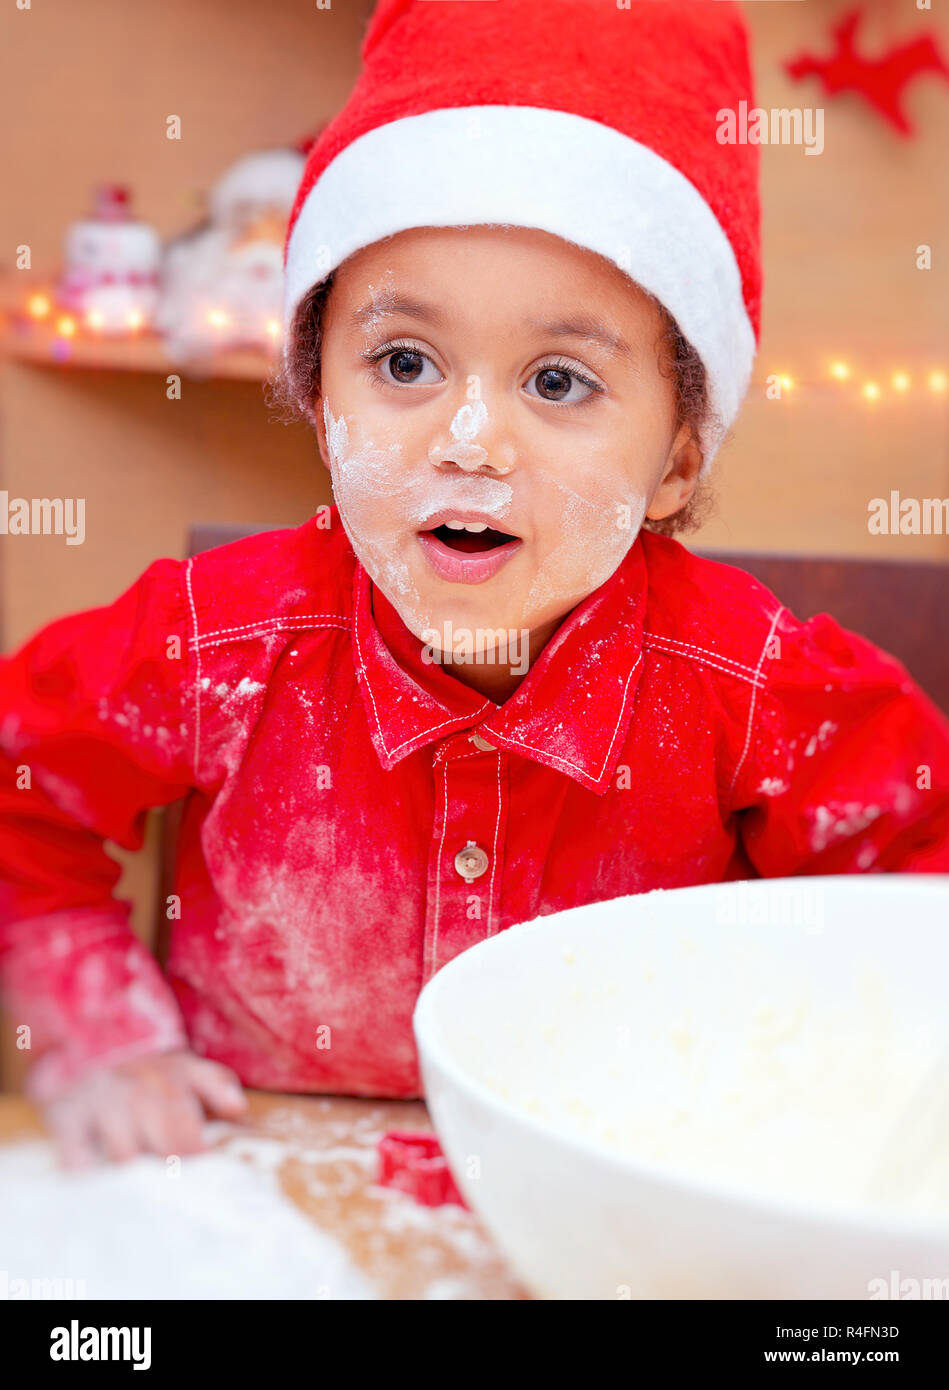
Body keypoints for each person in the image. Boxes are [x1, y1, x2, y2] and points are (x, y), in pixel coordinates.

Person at [2, 0, 947, 1168]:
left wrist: (812, 1084)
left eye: (556, 382)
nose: (469, 440)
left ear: (676, 461)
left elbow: (916, 882)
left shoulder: (750, 683)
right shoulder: (213, 640)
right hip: (253, 1188)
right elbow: (21, 783)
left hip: (622, 1190)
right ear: (317, 393)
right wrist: (100, 1036)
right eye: (404, 362)